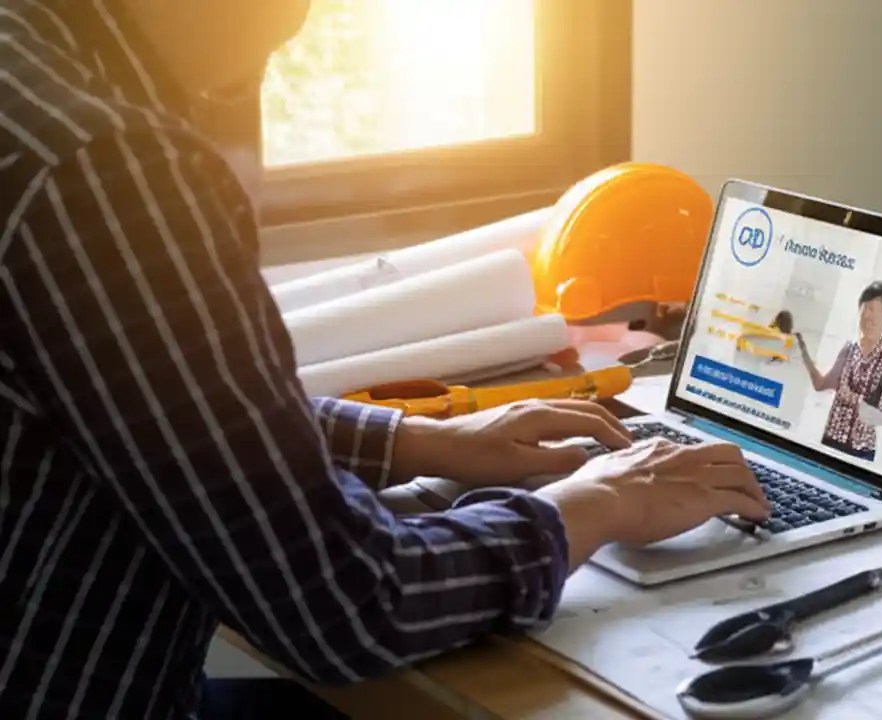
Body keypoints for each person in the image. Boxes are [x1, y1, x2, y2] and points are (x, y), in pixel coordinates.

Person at [0, 2, 770, 719]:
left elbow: (168, 405)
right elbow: (343, 602)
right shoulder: (105, 172)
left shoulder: (25, 74)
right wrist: (596, 504)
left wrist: (415, 441)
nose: (292, 29)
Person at [795, 281, 882, 462]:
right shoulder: (848, 349)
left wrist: (848, 397)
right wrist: (803, 352)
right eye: (865, 308)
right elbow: (820, 385)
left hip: (861, 452)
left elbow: (881, 416)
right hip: (830, 443)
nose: (868, 316)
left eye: (875, 310)